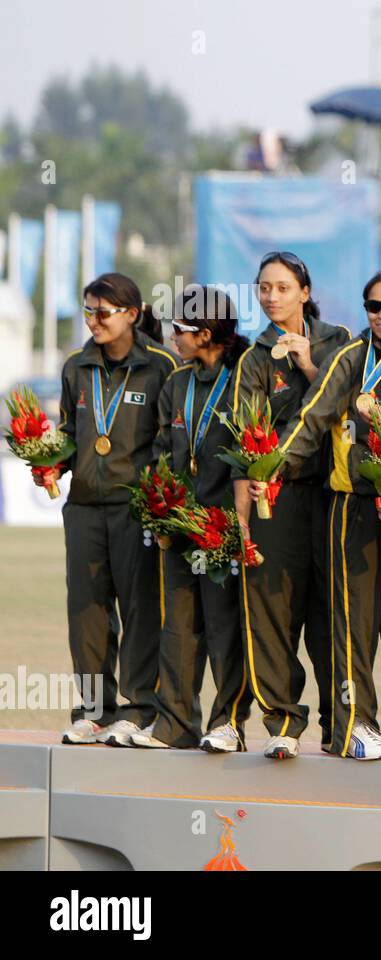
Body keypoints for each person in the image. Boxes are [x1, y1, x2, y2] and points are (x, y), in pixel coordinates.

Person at [257, 271, 381, 761]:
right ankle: (355, 724)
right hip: (352, 504)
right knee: (352, 622)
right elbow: (310, 417)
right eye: (373, 305)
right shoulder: (348, 358)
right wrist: (275, 466)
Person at [232, 252, 350, 759]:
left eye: (283, 288)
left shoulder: (339, 341)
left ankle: (340, 723)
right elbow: (244, 436)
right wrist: (243, 511)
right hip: (275, 500)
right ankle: (283, 721)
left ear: (305, 291)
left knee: (334, 612)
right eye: (264, 288)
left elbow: (352, 403)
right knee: (273, 609)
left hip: (335, 495)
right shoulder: (254, 357)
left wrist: (307, 362)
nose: (272, 297)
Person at [51, 273, 177, 747]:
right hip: (83, 506)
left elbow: (170, 439)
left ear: (132, 313)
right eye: (88, 311)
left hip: (136, 507)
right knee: (86, 611)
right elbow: (68, 433)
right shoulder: (75, 367)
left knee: (141, 608)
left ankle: (139, 706)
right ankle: (93, 710)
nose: (94, 321)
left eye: (103, 312)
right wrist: (49, 461)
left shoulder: (161, 365)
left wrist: (161, 498)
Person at [132, 285, 253, 751]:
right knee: (178, 627)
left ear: (205, 334)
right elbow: (164, 449)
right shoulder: (177, 382)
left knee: (224, 628)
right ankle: (175, 723)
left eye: (179, 330)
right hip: (180, 526)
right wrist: (160, 506)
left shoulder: (243, 375)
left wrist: (237, 521)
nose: (172, 337)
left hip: (223, 526)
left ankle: (228, 723)